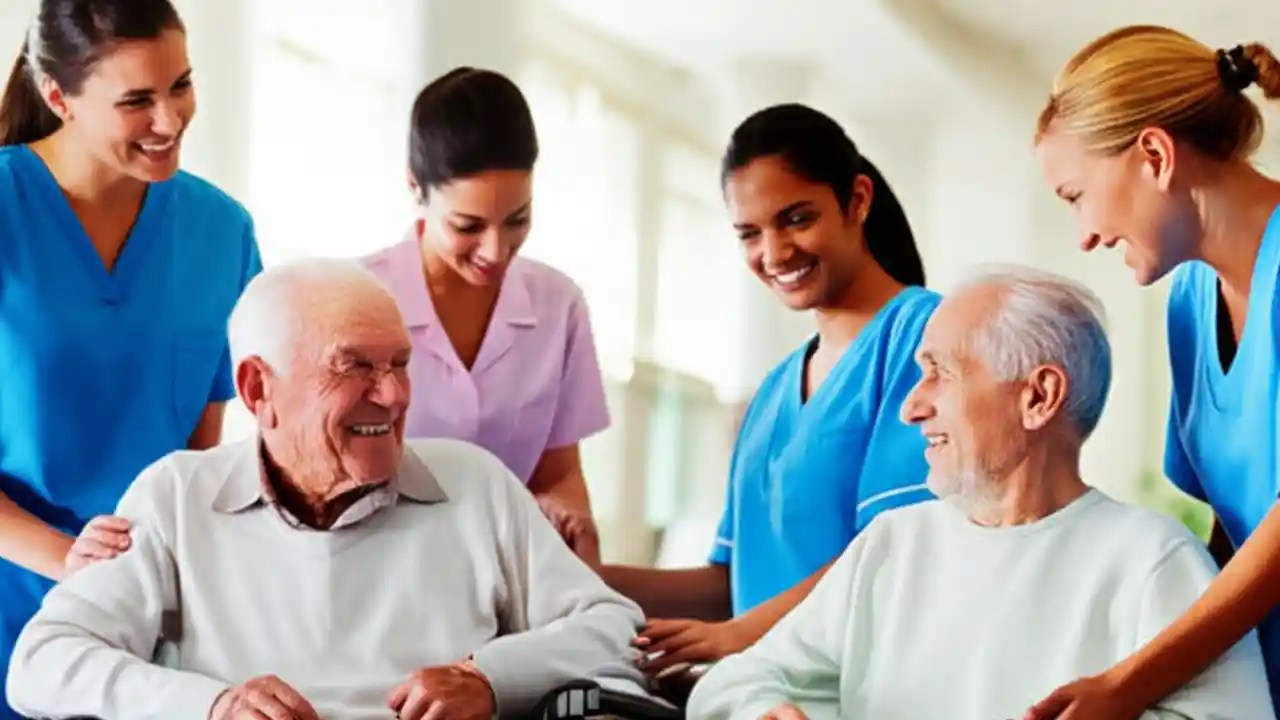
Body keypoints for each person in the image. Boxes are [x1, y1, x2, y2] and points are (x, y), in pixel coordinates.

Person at [4, 259, 650, 720]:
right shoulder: (175, 496)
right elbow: (43, 663)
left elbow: (614, 630)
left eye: (399, 363)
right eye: (355, 366)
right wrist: (211, 707)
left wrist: (490, 681)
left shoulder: (474, 482)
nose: (394, 395)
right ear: (258, 390)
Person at [685, 268, 1275, 720]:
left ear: (1038, 396)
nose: (912, 407)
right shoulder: (894, 543)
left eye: (940, 371)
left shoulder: (1152, 559)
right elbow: (732, 682)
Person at [597, 103, 940, 688]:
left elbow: (895, 552)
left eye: (797, 219)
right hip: (760, 696)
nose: (774, 253)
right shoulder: (774, 391)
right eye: (749, 233)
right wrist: (585, 575)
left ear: (857, 200)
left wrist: (738, 638)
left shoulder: (923, 337)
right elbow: (727, 584)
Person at [0, 1, 261, 715]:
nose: (169, 121)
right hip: (10, 619)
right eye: (136, 100)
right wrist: (69, 559)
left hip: (150, 643)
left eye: (180, 85)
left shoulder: (223, 233)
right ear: (59, 98)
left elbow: (199, 459)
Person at [1027, 26, 1280, 719]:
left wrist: (1135, 679)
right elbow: (1233, 536)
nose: (1083, 234)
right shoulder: (1190, 308)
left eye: (1076, 195)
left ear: (1154, 155)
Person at [361, 67, 609, 563]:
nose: (495, 250)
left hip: (505, 585)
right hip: (380, 577)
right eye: (468, 225)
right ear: (416, 186)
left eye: (517, 219)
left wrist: (564, 513)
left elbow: (558, 474)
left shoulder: (559, 307)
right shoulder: (356, 299)